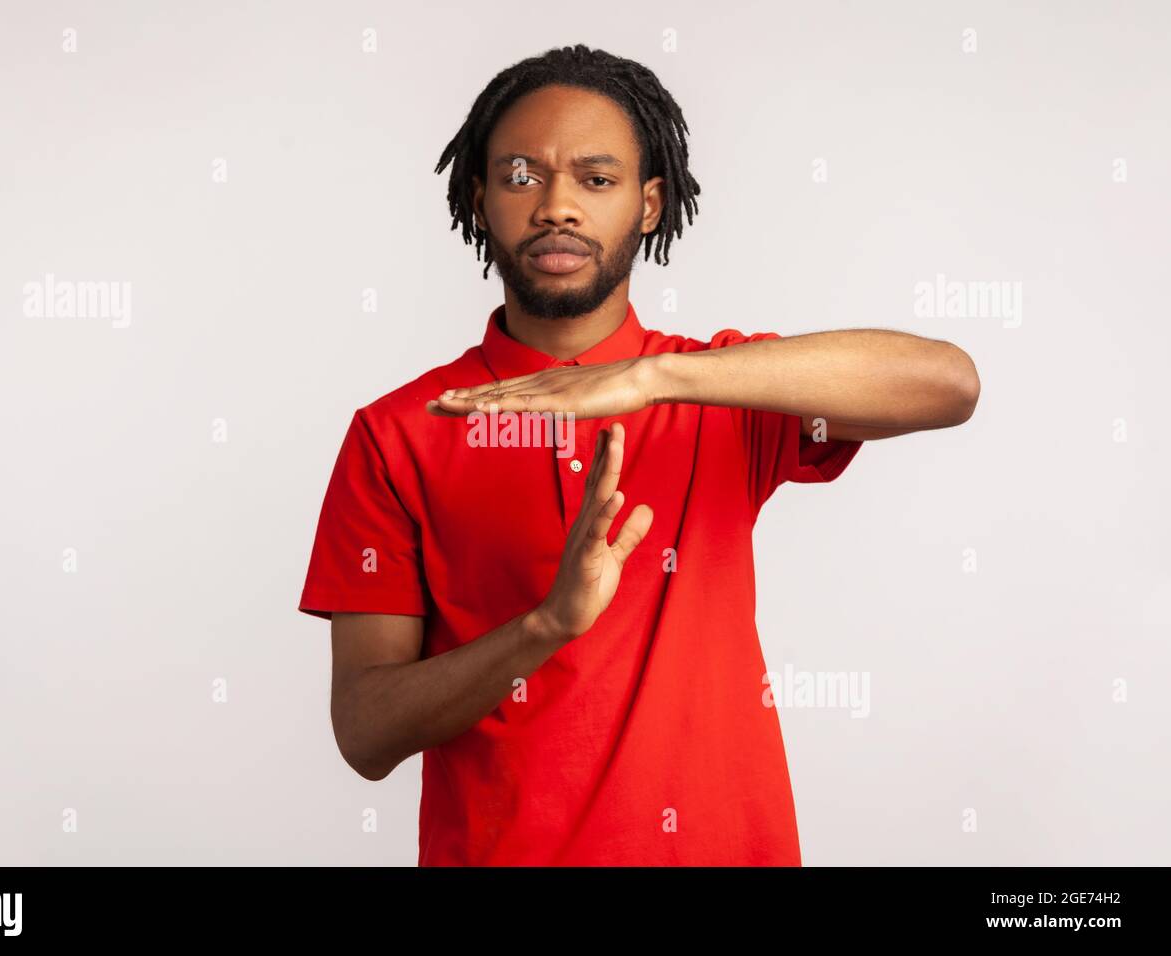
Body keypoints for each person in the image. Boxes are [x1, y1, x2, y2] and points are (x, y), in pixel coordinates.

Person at [298, 44, 979, 866]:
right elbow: (366, 732)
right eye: (521, 176)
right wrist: (544, 626)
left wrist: (654, 378)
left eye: (596, 178)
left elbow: (949, 383)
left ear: (649, 204)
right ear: (478, 197)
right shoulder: (400, 430)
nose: (557, 207)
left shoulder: (720, 395)